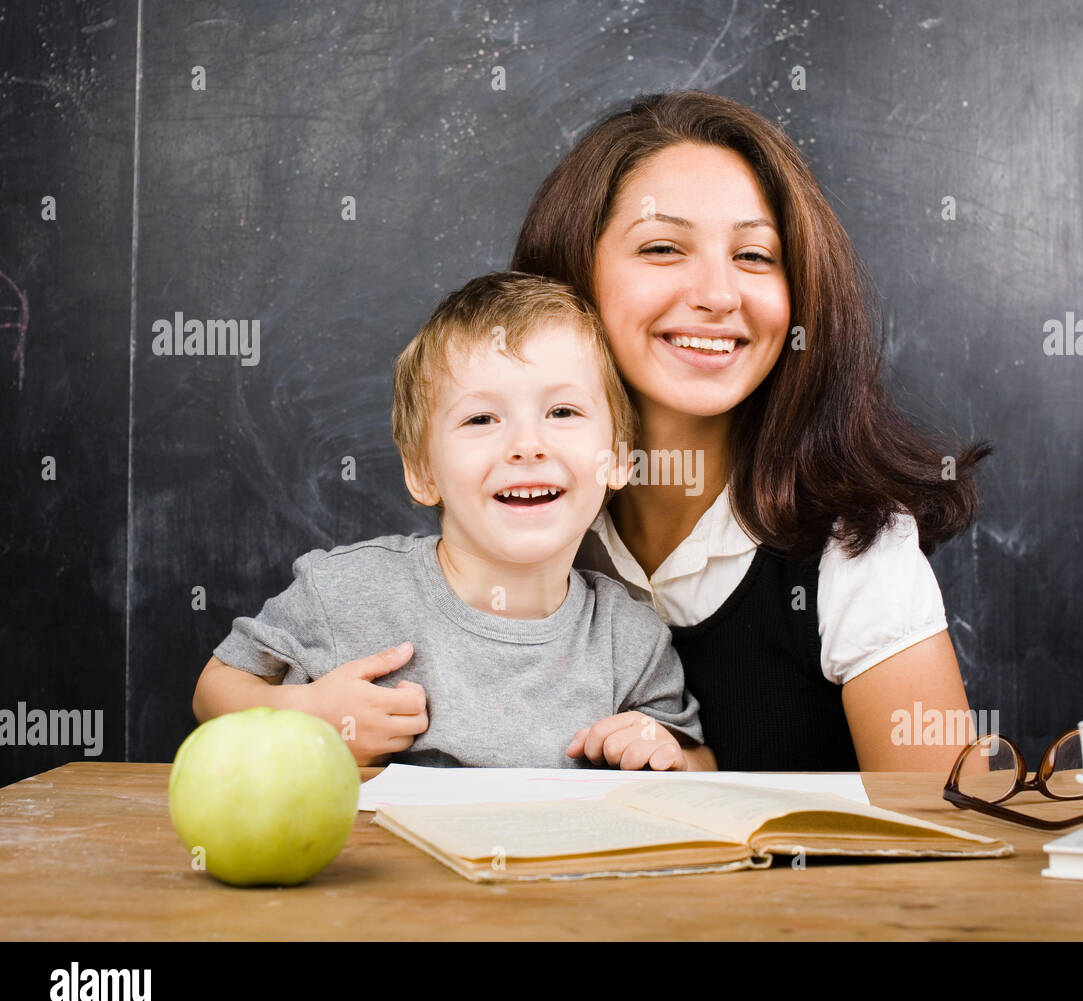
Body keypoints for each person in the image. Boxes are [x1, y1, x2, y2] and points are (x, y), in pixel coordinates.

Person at [511, 91, 993, 773]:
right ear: (568, 279)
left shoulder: (854, 553)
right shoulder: (521, 520)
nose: (718, 294)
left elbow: (948, 838)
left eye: (756, 256)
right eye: (661, 247)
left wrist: (707, 792)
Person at [191, 272, 711, 771]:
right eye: (481, 419)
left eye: (563, 413)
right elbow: (214, 690)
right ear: (422, 472)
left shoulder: (629, 638)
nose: (527, 446)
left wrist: (665, 754)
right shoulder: (347, 591)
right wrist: (310, 715)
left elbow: (699, 764)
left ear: (619, 457)